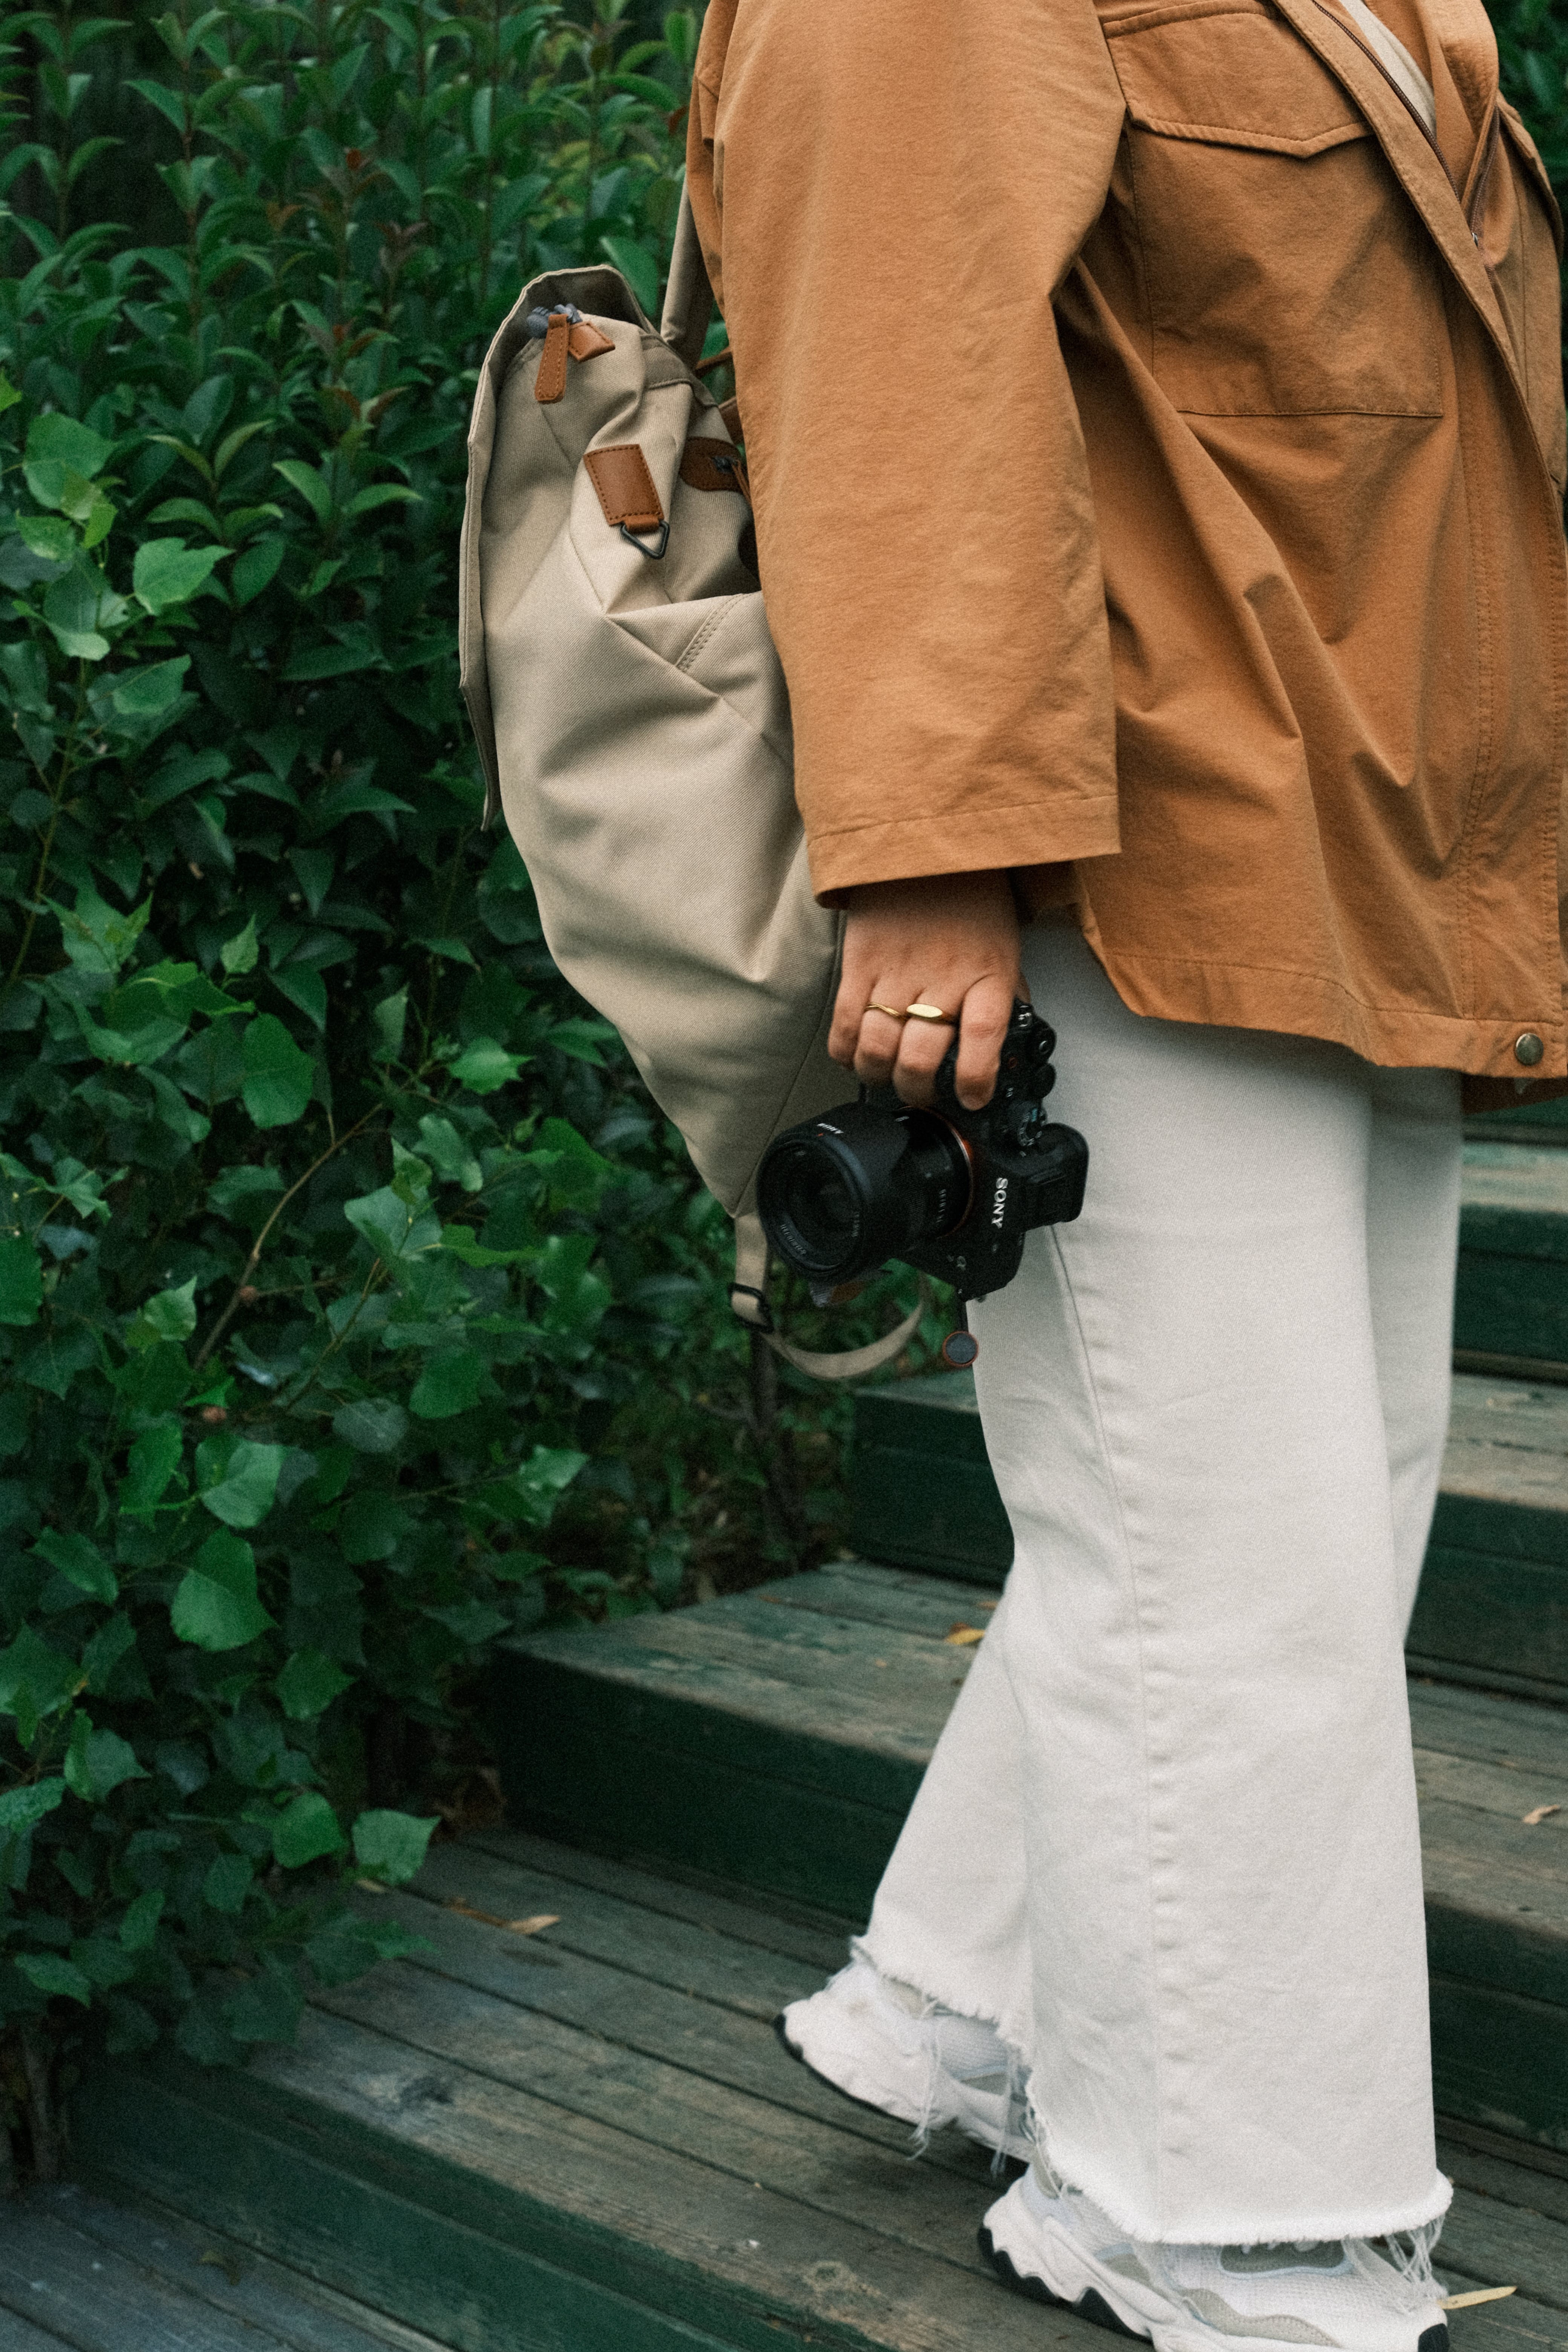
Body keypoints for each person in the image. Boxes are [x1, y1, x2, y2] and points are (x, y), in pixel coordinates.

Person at [684, 0, 1568, 2346]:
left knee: (1288, 1504)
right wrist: (937, 857)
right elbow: (887, 346)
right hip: (1125, 856)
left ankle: (967, 2005)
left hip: (1346, 846)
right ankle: (1224, 2226)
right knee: (1230, 1555)